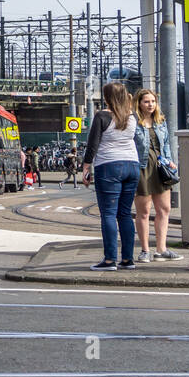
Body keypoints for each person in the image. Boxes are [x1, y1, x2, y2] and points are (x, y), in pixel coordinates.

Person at [81, 82, 141, 270]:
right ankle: (127, 259)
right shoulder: (133, 117)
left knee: (108, 213)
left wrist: (85, 168)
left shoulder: (102, 116)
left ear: (106, 97)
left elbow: (93, 145)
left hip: (109, 166)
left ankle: (109, 260)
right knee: (125, 214)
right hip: (132, 166)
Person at [132, 89, 182, 262]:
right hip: (142, 168)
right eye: (146, 101)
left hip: (161, 168)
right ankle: (145, 250)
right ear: (139, 103)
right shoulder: (133, 122)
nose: (151, 104)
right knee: (143, 211)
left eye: (153, 101)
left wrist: (170, 161)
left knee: (164, 209)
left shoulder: (160, 121)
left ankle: (161, 249)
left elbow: (166, 143)